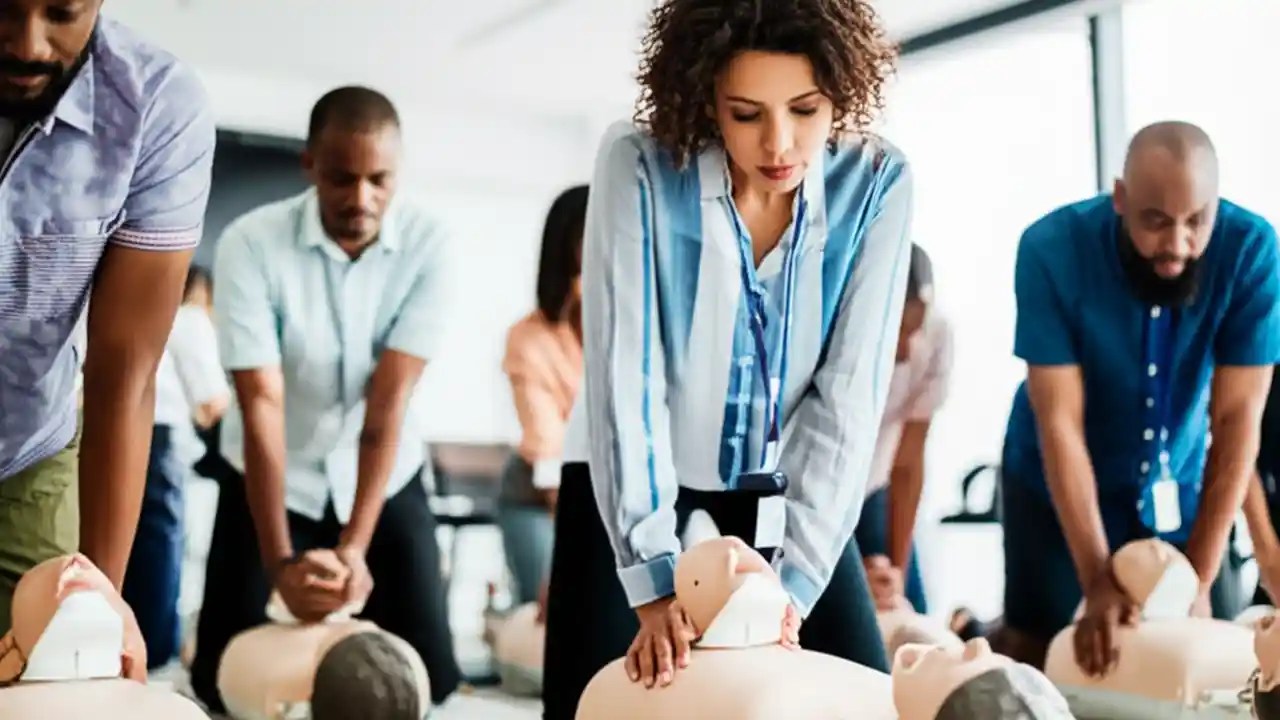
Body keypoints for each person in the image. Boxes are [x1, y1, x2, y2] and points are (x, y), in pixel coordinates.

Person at [541, 0, 910, 716]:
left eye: (805, 109)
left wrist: (790, 592)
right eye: (746, 114)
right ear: (706, 96)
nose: (779, 143)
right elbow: (627, 379)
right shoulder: (640, 164)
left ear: (840, 92)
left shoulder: (877, 183)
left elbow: (847, 396)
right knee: (594, 699)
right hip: (630, 467)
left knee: (861, 695)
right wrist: (652, 582)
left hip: (782, 478)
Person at [188, 86, 461, 712]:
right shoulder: (251, 242)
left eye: (379, 180)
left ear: (398, 172)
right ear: (309, 164)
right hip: (270, 471)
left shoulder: (431, 245)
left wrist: (354, 551)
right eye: (341, 178)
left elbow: (386, 407)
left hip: (384, 474)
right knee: (217, 680)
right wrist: (280, 562)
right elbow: (261, 405)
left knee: (433, 677)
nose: (361, 199)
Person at [997, 121, 1280, 675]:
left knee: (1207, 655)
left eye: (1195, 222)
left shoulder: (1251, 249)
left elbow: (1237, 418)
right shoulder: (1049, 248)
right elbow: (1060, 423)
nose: (1176, 245)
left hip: (1180, 480)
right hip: (1055, 479)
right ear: (1120, 198)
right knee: (1045, 652)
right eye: (1155, 221)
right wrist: (1096, 580)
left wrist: (1198, 579)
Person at [0, 1, 215, 634]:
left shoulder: (157, 107)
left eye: (62, 12)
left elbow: (125, 372)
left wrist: (96, 610)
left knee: (51, 662)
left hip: (26, 452)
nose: (30, 45)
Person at [122, 265, 229, 670]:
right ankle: (155, 650)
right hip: (160, 438)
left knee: (129, 545)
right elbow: (212, 403)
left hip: (122, 429)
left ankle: (128, 644)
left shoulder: (134, 315)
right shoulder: (190, 319)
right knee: (161, 545)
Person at [499, 184, 587, 608]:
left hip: (609, 498)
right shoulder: (529, 339)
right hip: (539, 499)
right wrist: (567, 554)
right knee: (553, 607)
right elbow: (548, 454)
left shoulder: (637, 328)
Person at [855, 243, 953, 615]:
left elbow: (908, 464)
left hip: (875, 486)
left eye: (916, 329)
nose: (908, 350)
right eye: (898, 331)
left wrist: (896, 573)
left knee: (908, 609)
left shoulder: (938, 336)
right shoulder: (840, 341)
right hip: (821, 487)